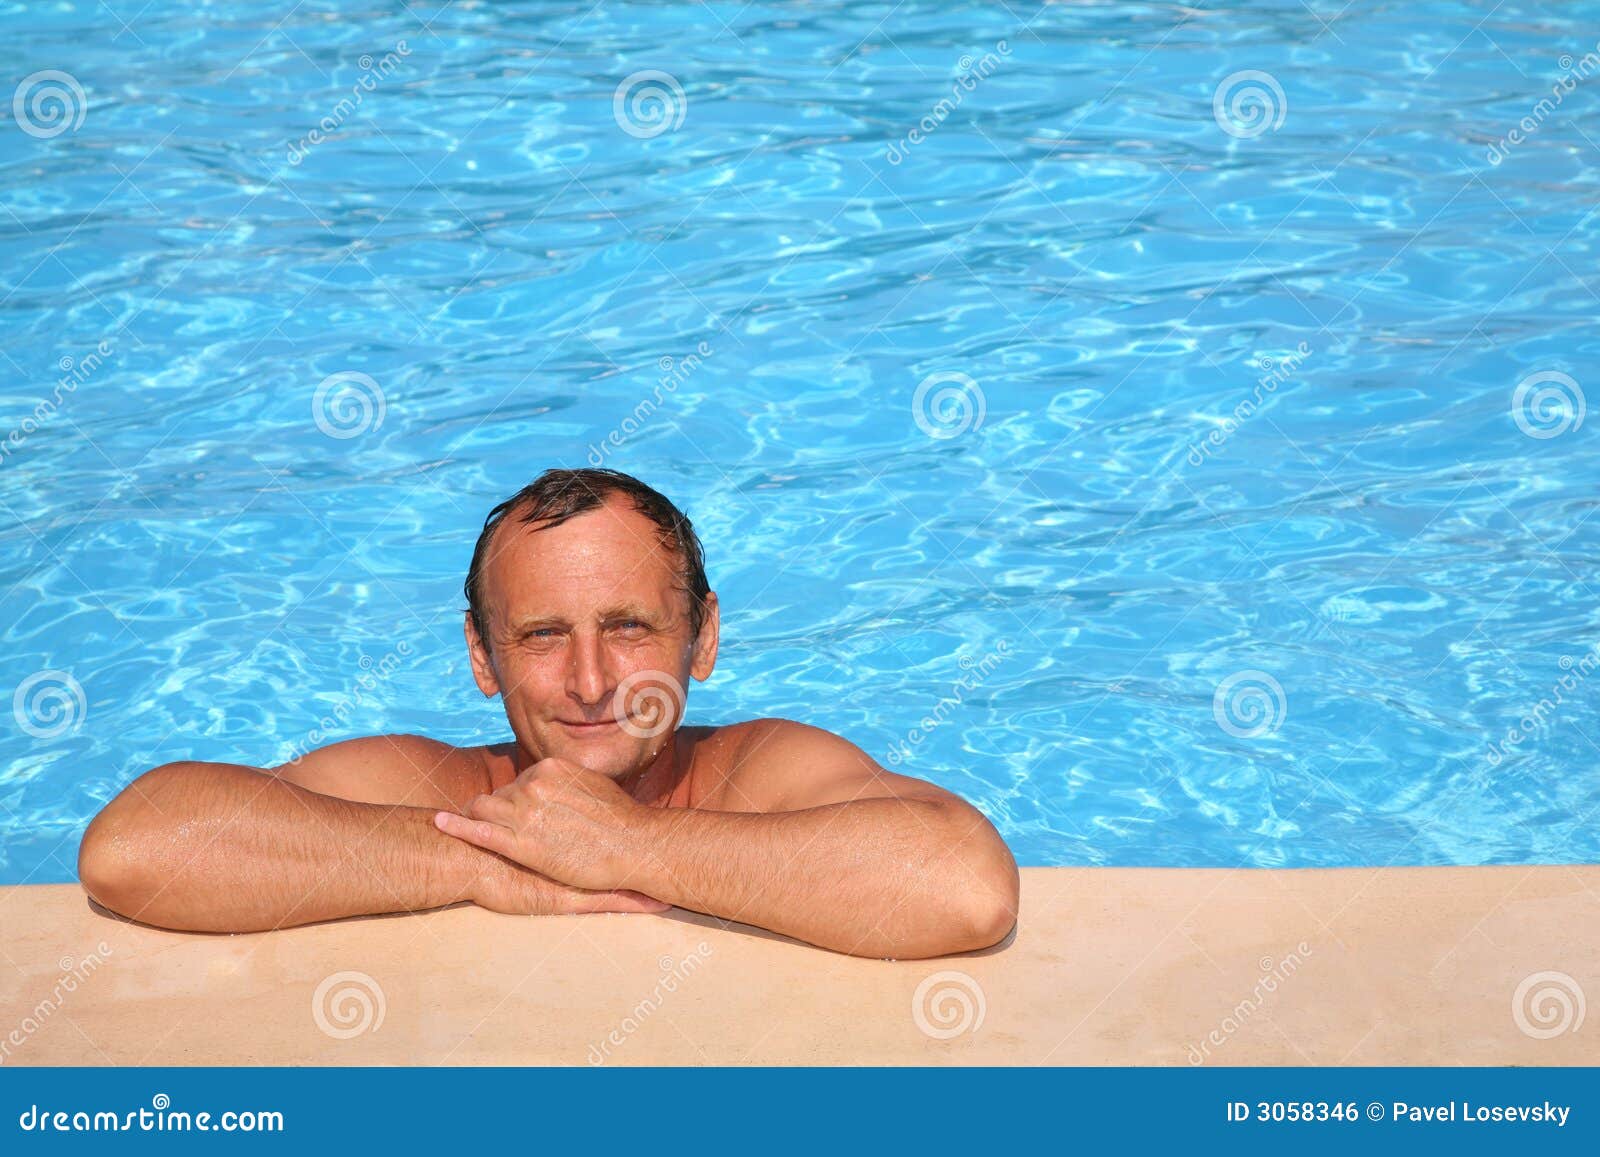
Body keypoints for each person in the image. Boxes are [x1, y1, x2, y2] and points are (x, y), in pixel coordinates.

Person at [78, 468, 1019, 958]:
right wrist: (481, 856)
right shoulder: (440, 788)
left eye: (628, 626)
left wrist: (634, 845)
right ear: (482, 656)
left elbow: (964, 884)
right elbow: (138, 848)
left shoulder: (756, 772)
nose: (589, 679)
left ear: (702, 640)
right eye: (539, 635)